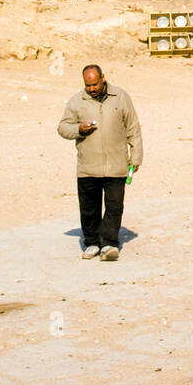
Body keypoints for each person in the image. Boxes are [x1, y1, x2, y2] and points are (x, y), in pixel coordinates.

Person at [57, 63, 143, 260]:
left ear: (103, 78)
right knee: (89, 208)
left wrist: (136, 156)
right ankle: (92, 243)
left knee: (114, 207)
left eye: (95, 84)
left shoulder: (121, 97)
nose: (92, 89)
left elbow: (133, 128)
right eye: (88, 86)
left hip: (117, 164)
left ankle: (110, 244)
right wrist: (79, 128)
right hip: (88, 166)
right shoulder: (76, 101)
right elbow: (62, 128)